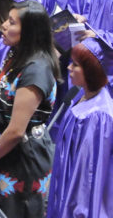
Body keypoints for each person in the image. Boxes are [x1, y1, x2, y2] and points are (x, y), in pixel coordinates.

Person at [0, 0, 59, 217]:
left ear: (29, 32)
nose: (4, 26)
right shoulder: (16, 55)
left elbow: (16, 130)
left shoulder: (36, 70)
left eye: (12, 23)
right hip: (7, 154)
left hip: (24, 162)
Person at [46, 36, 113, 218]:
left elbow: (87, 177)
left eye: (75, 65)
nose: (68, 68)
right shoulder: (81, 95)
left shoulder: (98, 116)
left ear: (91, 71)